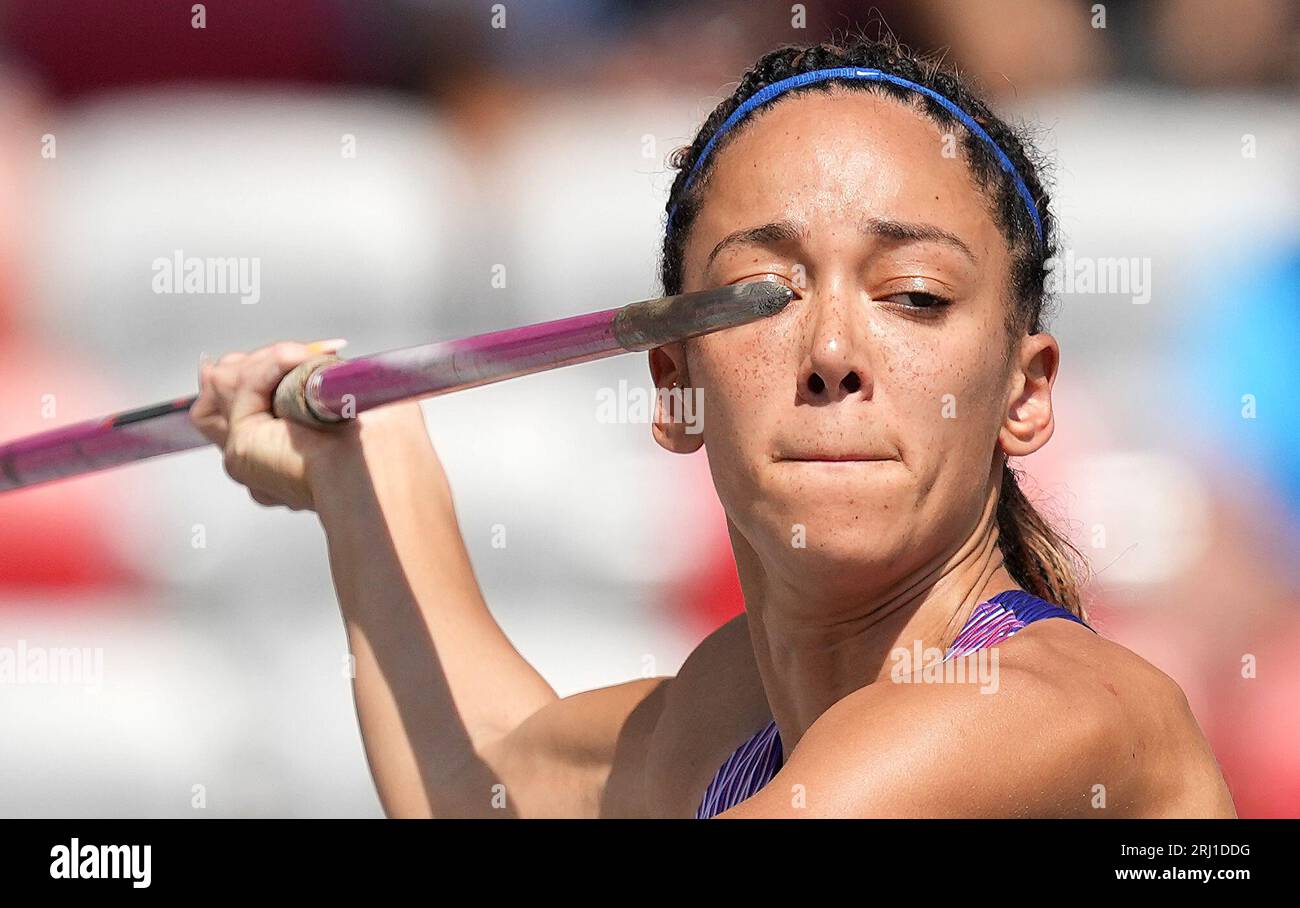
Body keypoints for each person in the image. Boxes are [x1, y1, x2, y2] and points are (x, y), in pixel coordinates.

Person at [189, 37, 1236, 818]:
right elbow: (490, 773)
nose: (833, 349)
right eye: (760, 296)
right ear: (675, 384)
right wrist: (363, 468)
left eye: (913, 294)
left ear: (1024, 392)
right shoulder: (729, 718)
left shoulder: (1054, 710)